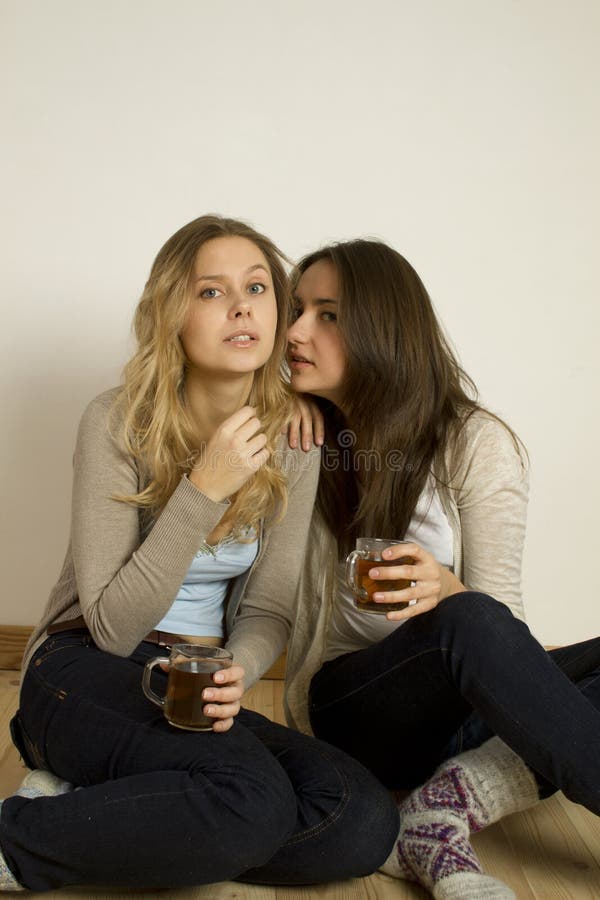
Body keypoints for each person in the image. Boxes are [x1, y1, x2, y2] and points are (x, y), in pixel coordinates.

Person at [0, 217, 398, 893]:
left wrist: (235, 673)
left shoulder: (297, 440)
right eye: (211, 292)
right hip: (82, 669)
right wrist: (202, 489)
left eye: (257, 287)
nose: (242, 305)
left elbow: (269, 607)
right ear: (172, 315)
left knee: (358, 820)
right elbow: (111, 627)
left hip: (194, 683)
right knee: (252, 802)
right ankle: (21, 842)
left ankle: (86, 805)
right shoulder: (116, 422)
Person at [276, 238, 600, 899]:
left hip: (457, 717)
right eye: (296, 309)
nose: (295, 330)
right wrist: (266, 399)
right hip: (349, 710)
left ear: (382, 330)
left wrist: (449, 594)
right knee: (474, 621)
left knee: (479, 616)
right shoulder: (303, 436)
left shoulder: (478, 443)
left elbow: (498, 624)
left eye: (327, 314)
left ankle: (442, 806)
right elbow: (192, 394)